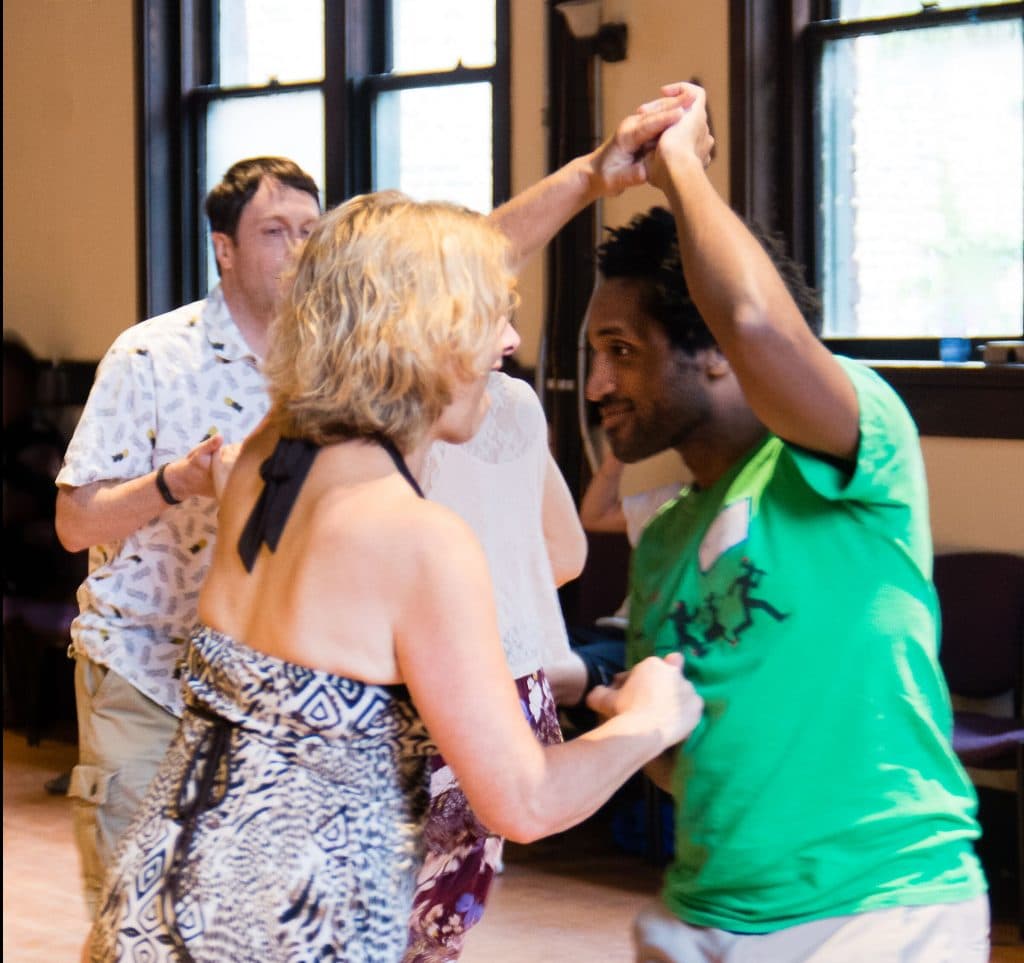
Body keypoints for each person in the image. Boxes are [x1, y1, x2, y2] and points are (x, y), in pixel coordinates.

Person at [84, 190, 704, 962]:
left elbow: (366, 281)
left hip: (160, 902)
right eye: (490, 315)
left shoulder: (268, 455)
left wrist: (585, 179)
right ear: (422, 333)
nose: (509, 341)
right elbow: (525, 799)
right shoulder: (418, 541)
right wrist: (648, 719)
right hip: (277, 932)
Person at [580, 83, 988, 960]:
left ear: (716, 355)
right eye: (594, 355)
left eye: (623, 351)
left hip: (880, 907)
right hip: (703, 915)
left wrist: (681, 168)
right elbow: (687, 760)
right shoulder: (666, 538)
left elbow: (756, 319)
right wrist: (628, 720)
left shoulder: (854, 443)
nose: (598, 385)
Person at [54, 157, 321, 916]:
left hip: (268, 681)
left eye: (309, 231)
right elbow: (75, 522)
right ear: (223, 249)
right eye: (274, 231)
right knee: (133, 914)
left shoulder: (329, 367)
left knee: (237, 920)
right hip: (143, 669)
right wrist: (178, 480)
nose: (297, 249)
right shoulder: (150, 356)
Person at [406, 368, 587, 961]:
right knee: (434, 931)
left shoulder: (368, 393)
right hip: (503, 689)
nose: (509, 338)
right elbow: (566, 553)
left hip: (402, 688)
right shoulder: (512, 401)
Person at [546, 447, 680, 729]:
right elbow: (594, 515)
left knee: (547, 674)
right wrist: (617, 456)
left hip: (652, 644)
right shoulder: (674, 499)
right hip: (612, 629)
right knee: (525, 654)